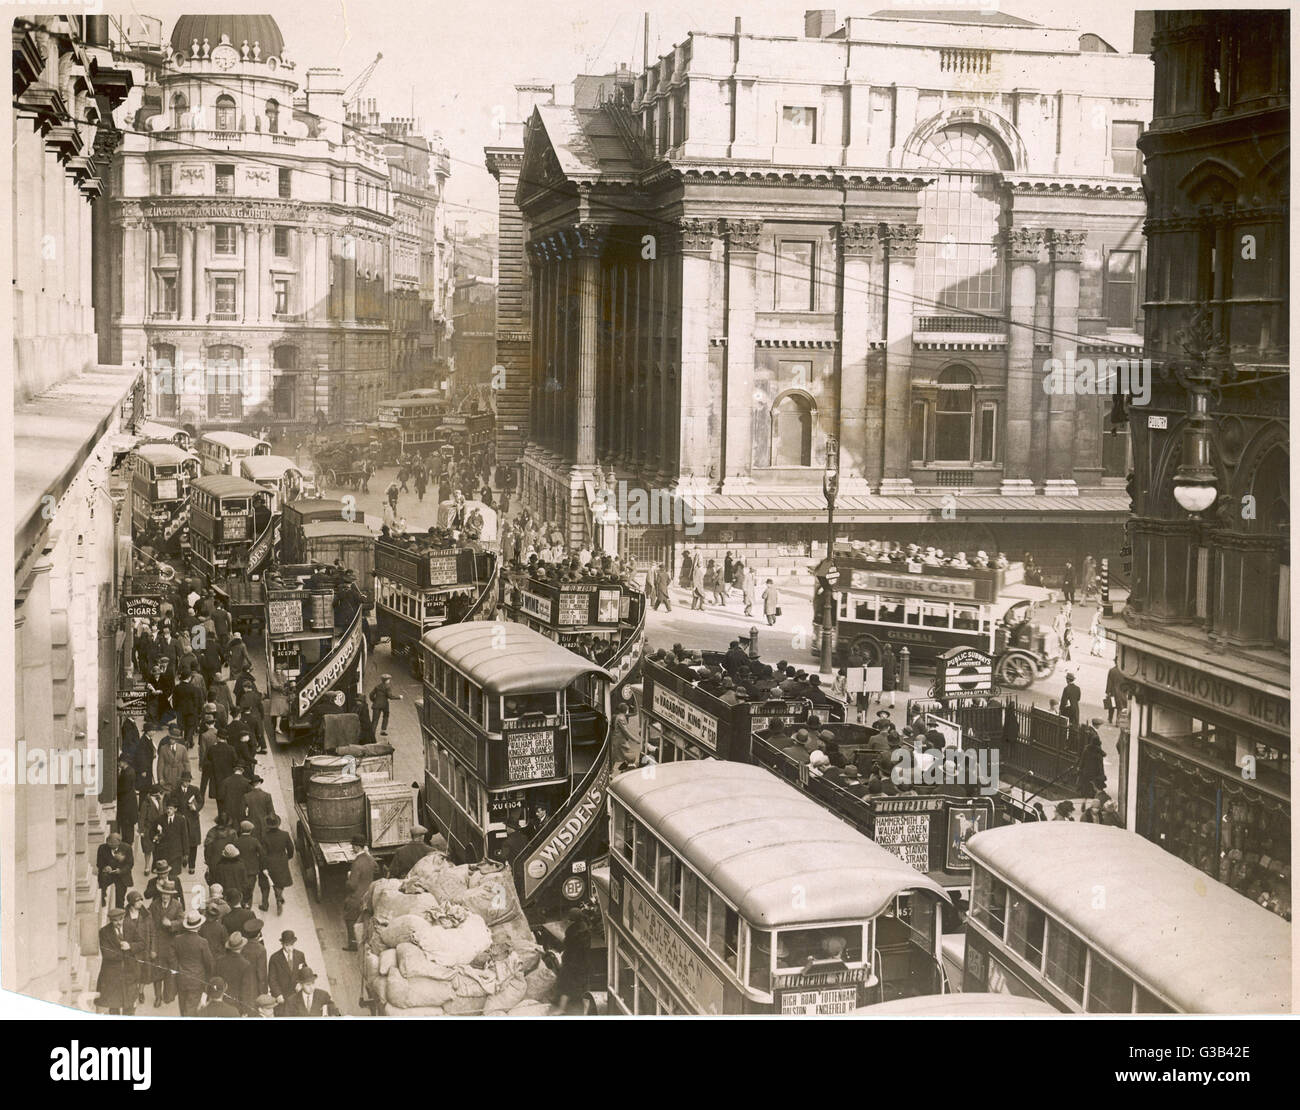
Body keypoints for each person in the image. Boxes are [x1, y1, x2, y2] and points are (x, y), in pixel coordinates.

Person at [173, 910, 216, 1016]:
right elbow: (209, 963)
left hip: (181, 978)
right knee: (191, 1009)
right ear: (199, 926)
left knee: (182, 1006)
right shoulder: (202, 942)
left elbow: (173, 959)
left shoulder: (177, 939)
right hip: (196, 979)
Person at [96, 908, 135, 1015]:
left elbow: (142, 944)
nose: (118, 923)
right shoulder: (104, 932)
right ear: (110, 920)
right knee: (114, 1005)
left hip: (129, 972)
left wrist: (130, 946)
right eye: (115, 921)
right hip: (112, 974)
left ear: (123, 918)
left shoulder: (131, 927)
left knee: (129, 1004)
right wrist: (125, 954)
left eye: (120, 920)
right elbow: (107, 953)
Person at [343, 836, 377, 951]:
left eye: (353, 846)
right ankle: (366, 941)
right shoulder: (370, 859)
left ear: (357, 847)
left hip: (357, 897)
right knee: (365, 919)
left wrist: (347, 878)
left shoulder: (357, 863)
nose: (352, 848)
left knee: (349, 918)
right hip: (368, 895)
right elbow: (376, 869)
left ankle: (353, 944)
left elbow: (352, 884)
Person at [262, 814, 294, 915]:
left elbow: (263, 852)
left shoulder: (264, 836)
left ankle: (278, 897)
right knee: (281, 881)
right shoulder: (285, 834)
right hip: (281, 859)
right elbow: (291, 848)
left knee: (273, 881)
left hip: (269, 860)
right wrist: (287, 857)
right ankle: (279, 897)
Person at [268, 930, 307, 1006]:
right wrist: (278, 994)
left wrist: (301, 983)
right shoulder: (274, 958)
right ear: (282, 944)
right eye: (287, 945)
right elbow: (272, 979)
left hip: (297, 994)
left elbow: (305, 973)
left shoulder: (300, 955)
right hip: (283, 996)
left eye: (292, 945)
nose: (290, 948)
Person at [97, 833, 134, 910]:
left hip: (121, 875)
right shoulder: (102, 848)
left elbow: (130, 864)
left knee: (120, 897)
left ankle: (119, 911)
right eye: (109, 842)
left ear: (119, 842)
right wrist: (105, 867)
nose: (110, 845)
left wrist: (121, 870)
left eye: (113, 843)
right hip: (108, 874)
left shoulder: (127, 848)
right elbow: (99, 863)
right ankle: (102, 900)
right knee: (102, 883)